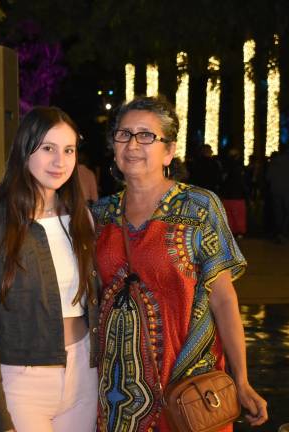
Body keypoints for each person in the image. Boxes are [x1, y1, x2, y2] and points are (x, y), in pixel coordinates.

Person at [92, 96, 268, 431]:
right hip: (116, 394)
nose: (132, 145)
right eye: (124, 134)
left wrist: (241, 380)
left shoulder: (199, 208)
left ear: (169, 151)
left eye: (146, 136)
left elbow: (224, 299)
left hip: (187, 389)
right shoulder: (99, 215)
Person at [0, 106, 100, 432]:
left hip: (83, 371)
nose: (60, 161)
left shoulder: (82, 219)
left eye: (68, 150)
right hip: (22, 382)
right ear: (25, 150)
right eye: (48, 149)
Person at [265, 149, 289, 243]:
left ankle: (279, 231)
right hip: (288, 190)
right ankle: (283, 231)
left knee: (277, 211)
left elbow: (268, 177)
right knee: (288, 211)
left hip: (275, 190)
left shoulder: (273, 163)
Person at [221, 147, 248, 238]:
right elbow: (242, 182)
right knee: (238, 214)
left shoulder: (225, 166)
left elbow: (222, 180)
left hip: (227, 194)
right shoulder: (239, 167)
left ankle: (230, 230)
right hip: (237, 194)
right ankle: (239, 232)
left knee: (229, 214)